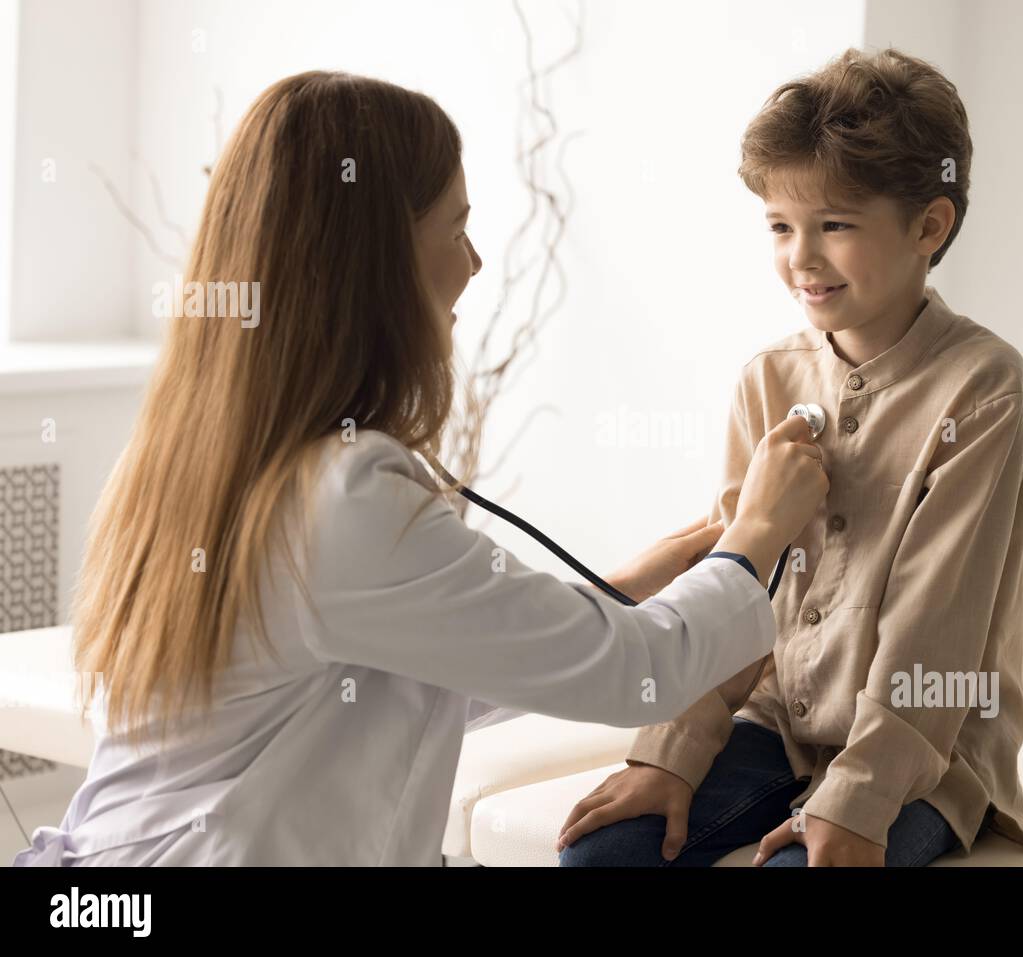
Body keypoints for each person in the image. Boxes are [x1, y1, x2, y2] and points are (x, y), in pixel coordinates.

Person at [12, 71, 827, 867]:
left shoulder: (192, 450)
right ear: (379, 259)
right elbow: (634, 675)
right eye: (456, 227)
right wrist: (754, 535)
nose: (473, 263)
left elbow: (414, 652)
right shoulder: (345, 495)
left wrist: (620, 585)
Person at [558, 48, 1023, 868]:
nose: (800, 258)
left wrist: (856, 803)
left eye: (835, 225)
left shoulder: (982, 388)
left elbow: (938, 628)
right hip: (780, 725)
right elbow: (733, 586)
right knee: (600, 856)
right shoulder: (767, 379)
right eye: (781, 226)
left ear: (929, 225)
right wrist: (669, 750)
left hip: (923, 757)